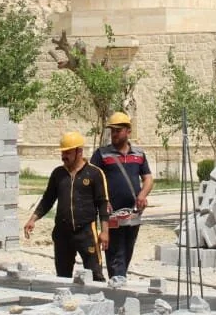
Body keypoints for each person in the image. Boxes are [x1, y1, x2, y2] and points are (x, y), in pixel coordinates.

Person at [24, 131, 110, 281]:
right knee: (62, 277)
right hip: (62, 233)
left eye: (68, 152)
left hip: (86, 233)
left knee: (95, 275)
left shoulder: (95, 174)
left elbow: (103, 204)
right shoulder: (58, 174)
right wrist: (32, 219)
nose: (64, 156)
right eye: (63, 152)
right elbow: (47, 199)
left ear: (79, 151)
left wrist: (104, 232)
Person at [90, 111, 153, 285]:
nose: (114, 134)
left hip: (133, 212)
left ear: (128, 131)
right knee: (115, 249)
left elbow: (148, 178)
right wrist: (104, 201)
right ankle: (117, 279)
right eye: (112, 131)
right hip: (111, 214)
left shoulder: (139, 154)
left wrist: (142, 195)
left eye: (118, 130)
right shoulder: (102, 154)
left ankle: (119, 279)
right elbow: (93, 180)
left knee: (128, 247)